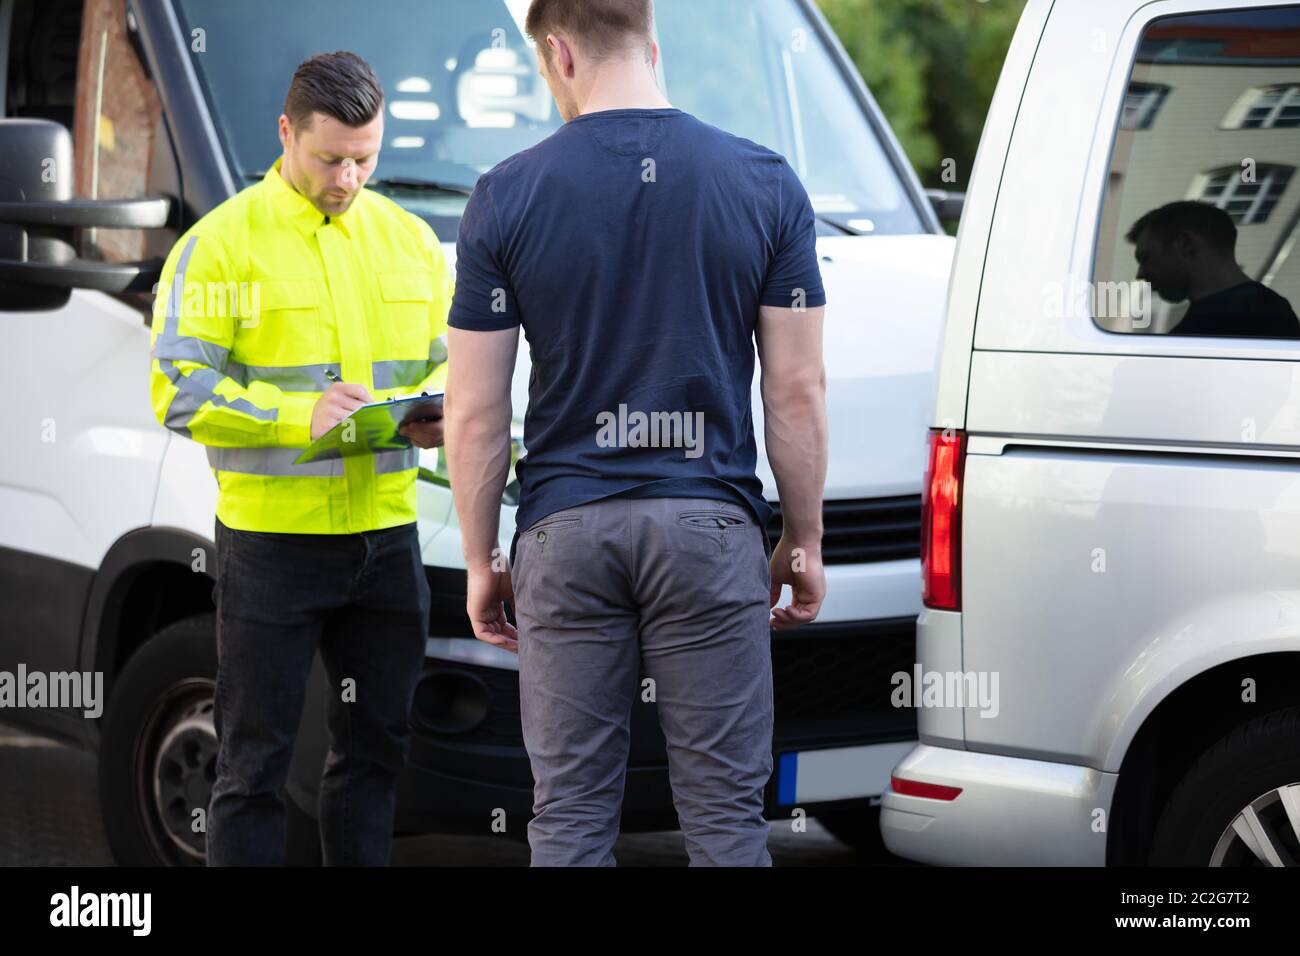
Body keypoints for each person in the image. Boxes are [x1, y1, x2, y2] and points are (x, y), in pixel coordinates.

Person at [443, 0, 828, 866]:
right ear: (654, 46)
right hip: (709, 528)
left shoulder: (504, 194)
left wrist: (481, 560)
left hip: (565, 531)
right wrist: (801, 541)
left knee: (572, 820)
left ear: (557, 52)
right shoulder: (764, 181)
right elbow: (796, 390)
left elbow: (475, 410)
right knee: (727, 824)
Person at [148, 51, 451, 865]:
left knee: (375, 757)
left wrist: (440, 412)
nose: (349, 178)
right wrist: (297, 415)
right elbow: (179, 390)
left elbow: (449, 360)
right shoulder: (218, 247)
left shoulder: (412, 241)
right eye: (330, 158)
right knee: (252, 769)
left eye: (366, 159)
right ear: (286, 133)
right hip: (271, 548)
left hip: (387, 539)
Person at [1126, 200, 1299, 338]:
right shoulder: (1263, 310)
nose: (1140, 274)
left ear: (1185, 245)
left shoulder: (1241, 317)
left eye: (1146, 258)